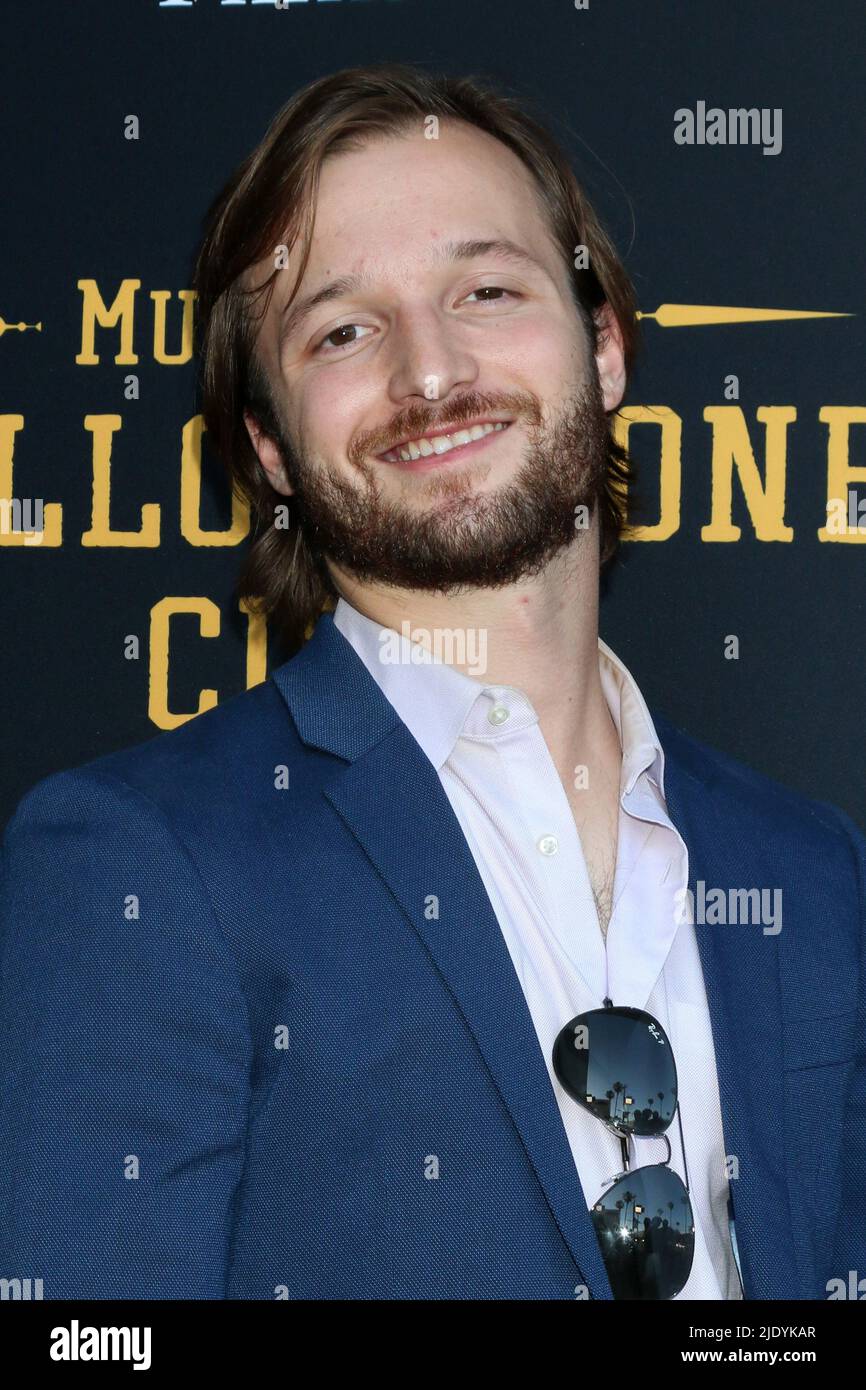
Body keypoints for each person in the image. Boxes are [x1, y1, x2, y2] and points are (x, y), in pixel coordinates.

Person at [1, 62, 863, 1301]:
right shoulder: (139, 861)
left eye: (487, 288)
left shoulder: (805, 870)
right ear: (266, 446)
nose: (430, 372)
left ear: (605, 346)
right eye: (343, 328)